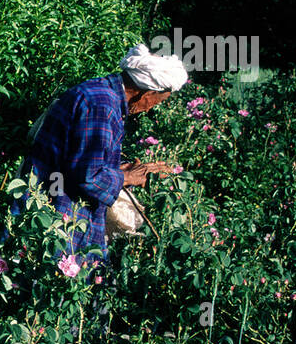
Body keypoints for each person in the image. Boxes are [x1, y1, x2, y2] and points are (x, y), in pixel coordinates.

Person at [17, 43, 188, 263]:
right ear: (147, 92)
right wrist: (128, 177)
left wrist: (119, 169)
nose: (150, 109)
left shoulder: (100, 93)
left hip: (50, 197)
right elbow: (87, 178)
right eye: (157, 101)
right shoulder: (102, 107)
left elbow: (79, 159)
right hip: (55, 210)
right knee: (56, 280)